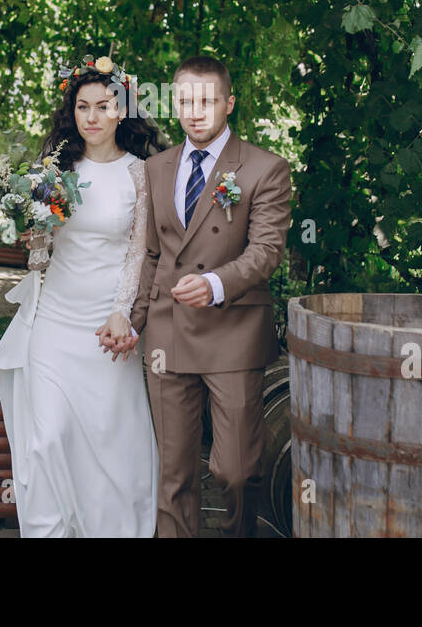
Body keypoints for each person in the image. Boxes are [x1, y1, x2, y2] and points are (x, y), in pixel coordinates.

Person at [101, 55, 292, 538]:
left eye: (206, 100)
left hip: (233, 333)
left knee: (236, 470)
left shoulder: (265, 168)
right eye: (185, 100)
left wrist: (215, 284)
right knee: (174, 473)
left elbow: (267, 251)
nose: (195, 110)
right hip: (168, 334)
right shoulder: (156, 169)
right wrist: (134, 320)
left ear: (228, 103)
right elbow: (150, 255)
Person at [0, 55, 166, 537]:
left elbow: (139, 253)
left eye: (103, 106)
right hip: (53, 320)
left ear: (121, 110)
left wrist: (123, 312)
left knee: (110, 442)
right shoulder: (54, 171)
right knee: (46, 437)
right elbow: (42, 253)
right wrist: (31, 238)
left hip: (107, 326)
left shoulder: (141, 175)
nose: (92, 116)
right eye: (82, 106)